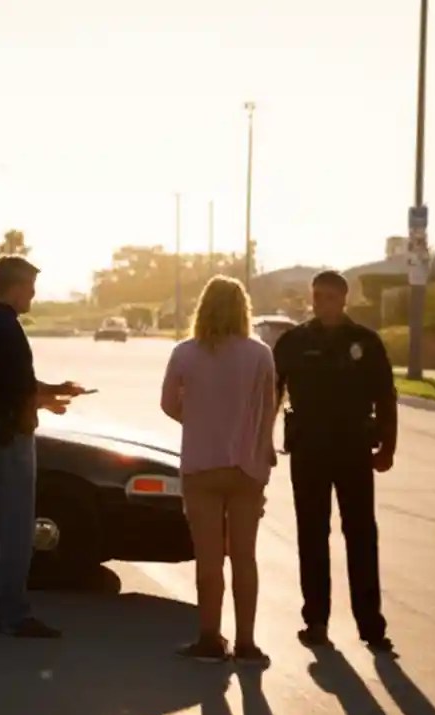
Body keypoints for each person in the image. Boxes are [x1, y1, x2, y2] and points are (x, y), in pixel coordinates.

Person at [0, 254, 88, 639]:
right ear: (15, 286)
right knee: (15, 529)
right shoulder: (8, 328)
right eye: (29, 286)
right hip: (7, 439)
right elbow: (18, 389)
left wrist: (48, 399)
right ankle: (14, 614)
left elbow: (3, 386)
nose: (33, 293)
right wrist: (55, 392)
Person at [273, 270, 397, 654]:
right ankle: (316, 620)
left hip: (353, 451)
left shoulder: (366, 342)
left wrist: (387, 448)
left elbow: (385, 398)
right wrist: (261, 442)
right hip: (309, 452)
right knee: (312, 536)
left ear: (344, 299)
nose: (321, 302)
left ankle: (371, 626)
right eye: (316, 296)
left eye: (328, 296)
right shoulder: (294, 342)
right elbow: (272, 396)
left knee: (361, 536)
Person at [161, 275, 277, 664]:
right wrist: (260, 447)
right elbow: (268, 408)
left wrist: (196, 421)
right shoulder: (260, 354)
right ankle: (247, 643)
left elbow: (167, 404)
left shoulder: (184, 353)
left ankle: (209, 638)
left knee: (208, 557)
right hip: (247, 467)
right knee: (244, 556)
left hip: (201, 465)